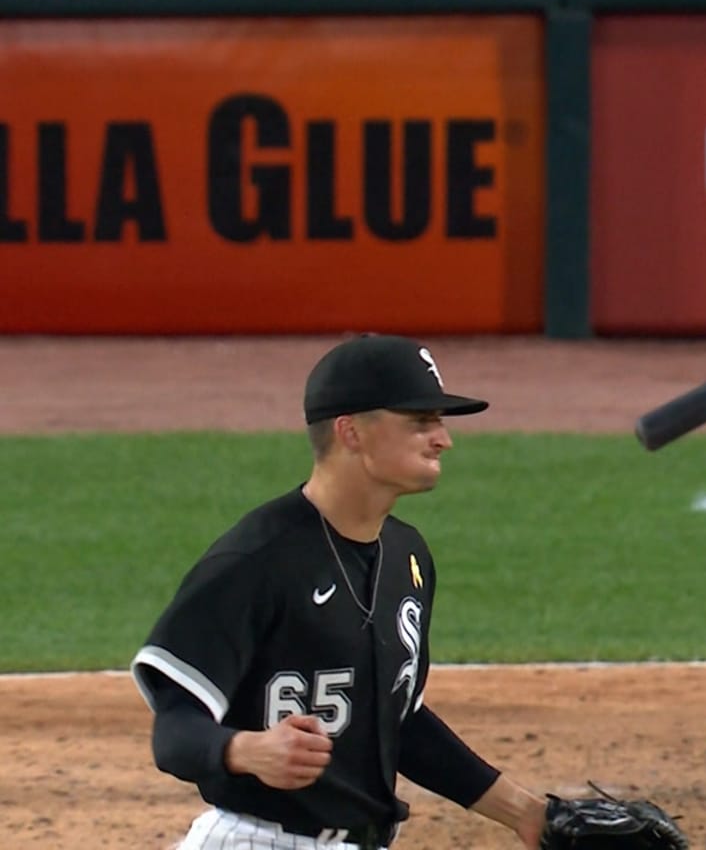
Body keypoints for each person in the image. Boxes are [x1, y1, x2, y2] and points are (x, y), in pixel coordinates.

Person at [129, 334, 549, 849]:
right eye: (420, 422)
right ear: (350, 431)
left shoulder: (407, 558)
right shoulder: (255, 561)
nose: (443, 439)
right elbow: (173, 729)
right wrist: (243, 749)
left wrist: (528, 814)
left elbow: (399, 724)